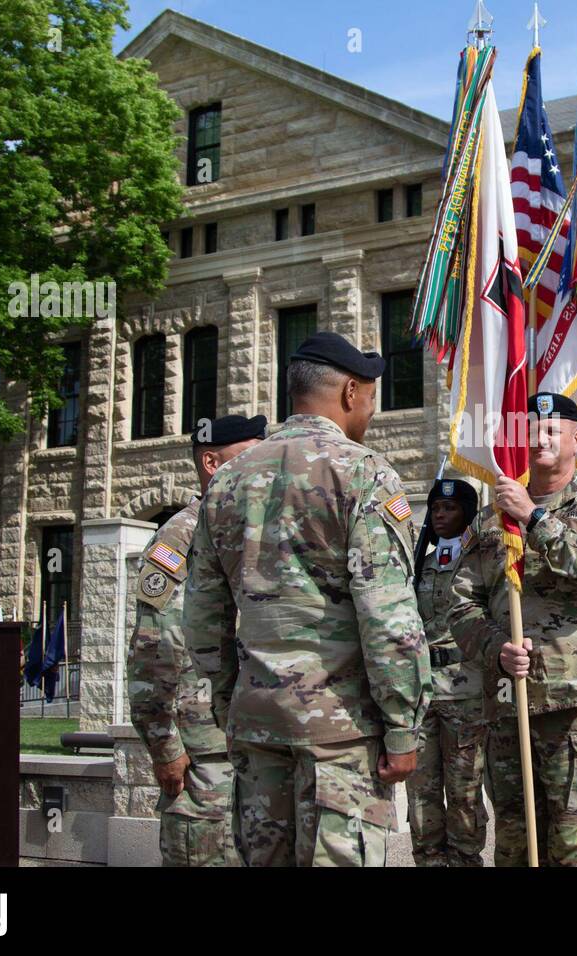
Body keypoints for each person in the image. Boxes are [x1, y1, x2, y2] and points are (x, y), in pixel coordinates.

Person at [182, 331, 431, 867]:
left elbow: (202, 617)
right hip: (338, 735)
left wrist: (232, 705)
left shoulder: (226, 482)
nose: (370, 408)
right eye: (369, 395)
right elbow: (388, 616)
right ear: (348, 393)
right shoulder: (363, 473)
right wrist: (402, 725)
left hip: (256, 724)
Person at [447, 392, 577, 866]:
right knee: (515, 843)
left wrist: (533, 517)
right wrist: (494, 648)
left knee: (576, 846)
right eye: (531, 428)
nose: (539, 436)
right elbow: (459, 601)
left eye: (552, 429)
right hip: (509, 703)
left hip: (576, 706)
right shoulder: (493, 521)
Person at [127, 413, 264, 866]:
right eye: (246, 457)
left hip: (249, 739)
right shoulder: (182, 536)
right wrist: (165, 746)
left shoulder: (247, 531)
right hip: (202, 749)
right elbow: (154, 652)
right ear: (210, 462)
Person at [408, 477, 489, 866]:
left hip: (465, 690)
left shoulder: (478, 562)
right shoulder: (418, 564)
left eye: (450, 508)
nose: (440, 515)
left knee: (464, 791)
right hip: (423, 691)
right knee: (420, 793)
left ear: (468, 514)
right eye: (435, 508)